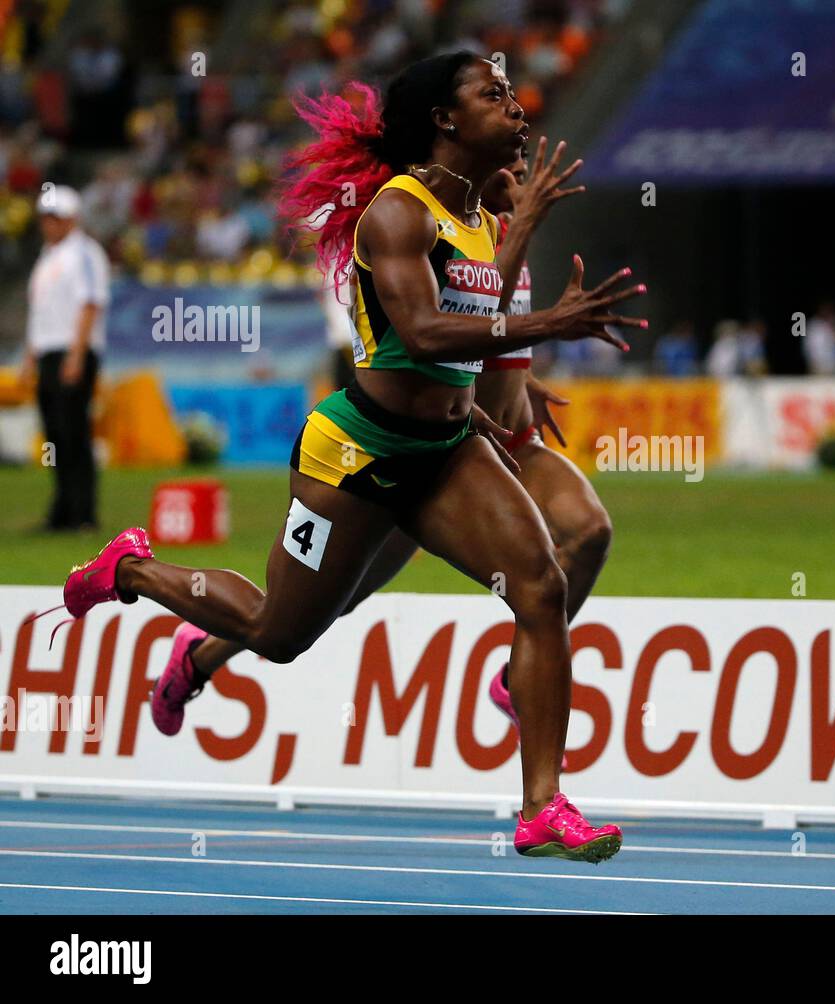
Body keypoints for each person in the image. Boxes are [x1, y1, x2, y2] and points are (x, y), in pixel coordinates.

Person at [43, 53, 646, 863]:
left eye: (513, 93)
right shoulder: (398, 215)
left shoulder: (477, 216)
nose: (517, 107)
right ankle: (132, 570)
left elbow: (480, 321)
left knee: (541, 586)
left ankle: (541, 807)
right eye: (492, 94)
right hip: (355, 456)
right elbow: (426, 337)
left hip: (446, 449)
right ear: (444, 118)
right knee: (279, 632)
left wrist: (518, 369)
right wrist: (545, 326)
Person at [182, 146, 616, 774]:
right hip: (411, 448)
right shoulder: (451, 239)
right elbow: (460, 328)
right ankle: (201, 651)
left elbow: (494, 344)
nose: (519, 181)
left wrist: (524, 381)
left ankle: (518, 695)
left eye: (521, 175)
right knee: (316, 610)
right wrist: (524, 242)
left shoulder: (486, 233)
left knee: (584, 535)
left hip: (496, 439)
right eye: (508, 173)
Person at [21, 184, 110, 532]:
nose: (48, 224)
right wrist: (31, 355)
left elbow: (91, 303)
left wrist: (76, 354)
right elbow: (39, 311)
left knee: (74, 431)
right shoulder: (47, 257)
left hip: (72, 350)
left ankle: (83, 511)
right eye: (45, 218)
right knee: (55, 435)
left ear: (71, 219)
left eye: (54, 218)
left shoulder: (84, 254)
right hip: (48, 351)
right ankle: (62, 508)